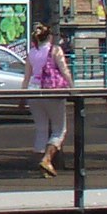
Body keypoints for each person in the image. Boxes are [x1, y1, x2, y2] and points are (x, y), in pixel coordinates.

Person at [22, 21, 72, 177]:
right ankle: (47, 159)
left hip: (33, 92)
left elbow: (27, 76)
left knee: (41, 128)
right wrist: (72, 87)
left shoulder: (31, 52)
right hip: (52, 92)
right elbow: (64, 70)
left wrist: (22, 95)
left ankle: (40, 165)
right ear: (49, 36)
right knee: (59, 129)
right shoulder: (55, 50)